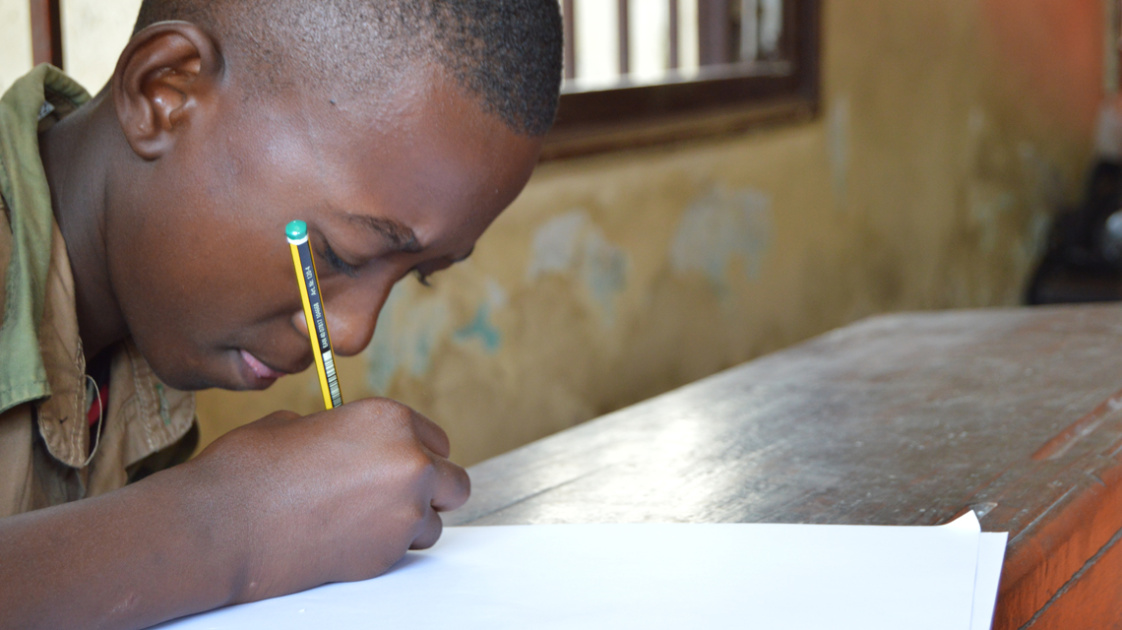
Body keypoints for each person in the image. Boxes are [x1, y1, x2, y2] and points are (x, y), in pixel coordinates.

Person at [0, 1, 562, 628]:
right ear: (166, 93)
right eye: (340, 257)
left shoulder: (152, 328)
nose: (352, 332)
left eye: (417, 275)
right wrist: (235, 521)